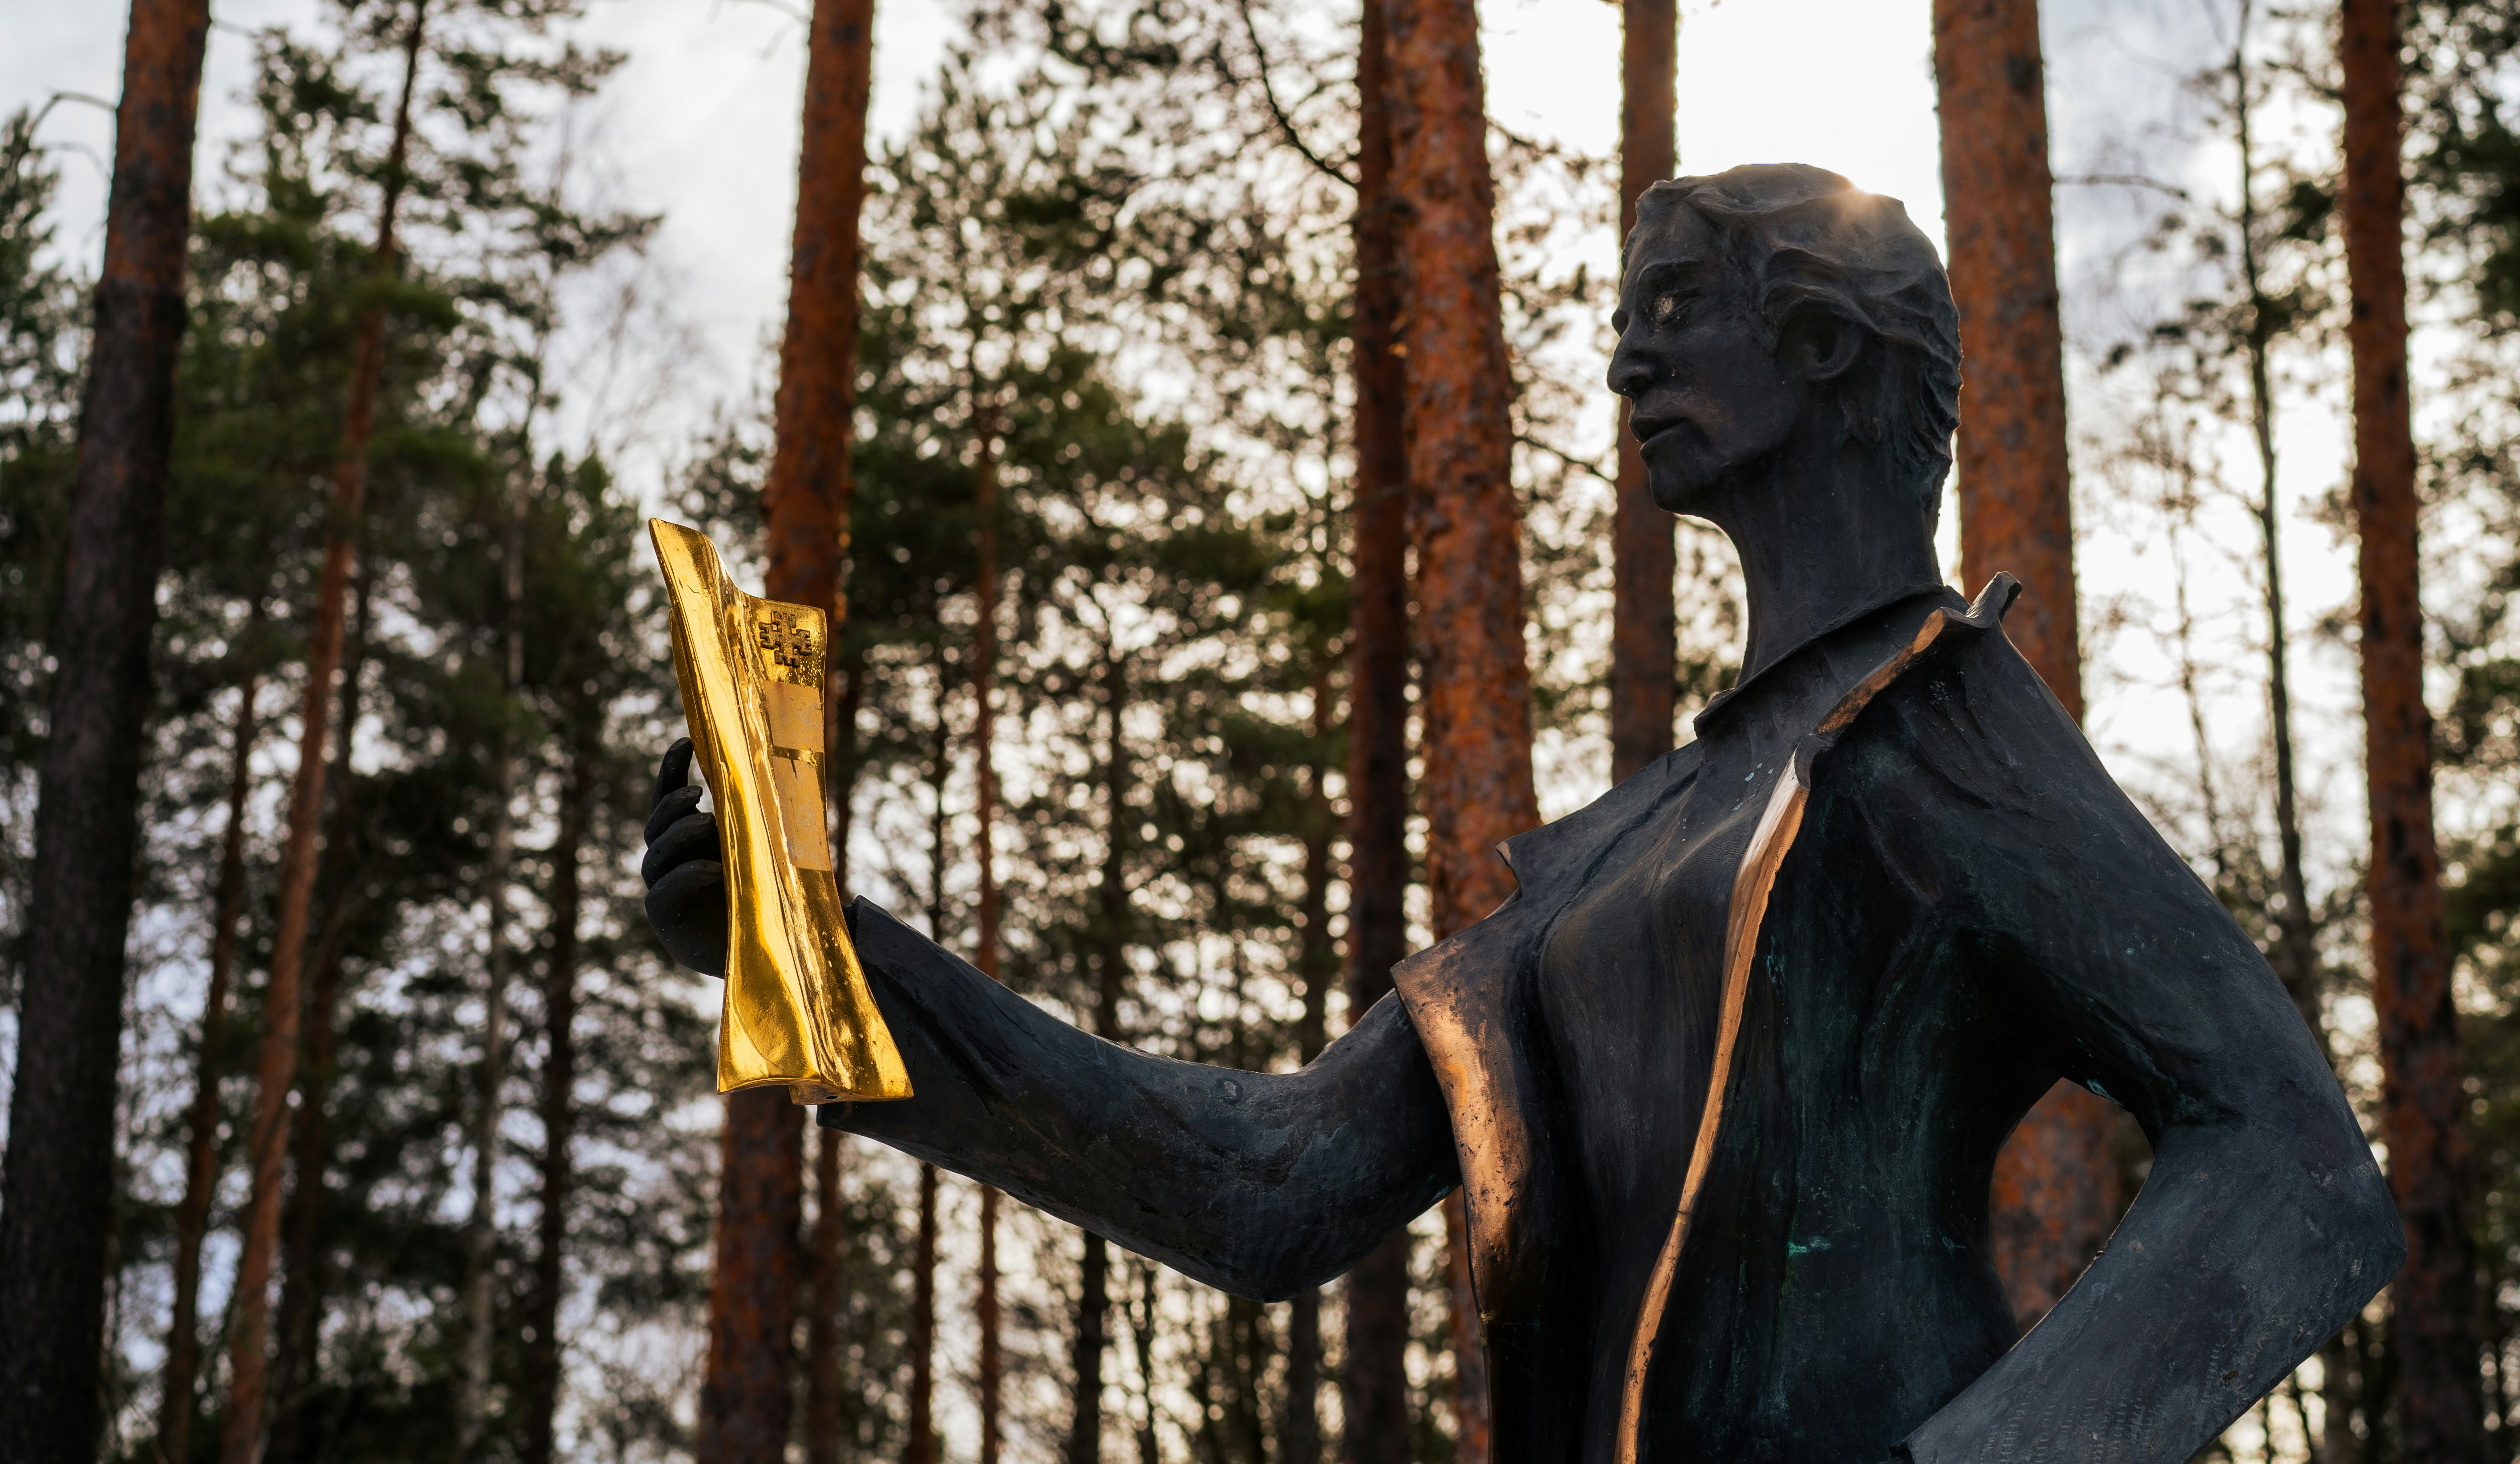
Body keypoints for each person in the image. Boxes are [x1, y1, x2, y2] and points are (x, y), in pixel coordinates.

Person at [640, 163, 2403, 1463]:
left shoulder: (1945, 732)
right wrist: (821, 956)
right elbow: (1267, 1185)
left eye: (1671, 319)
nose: (1624, 370)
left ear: (1822, 349)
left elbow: (2297, 1170)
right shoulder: (1611, 856)